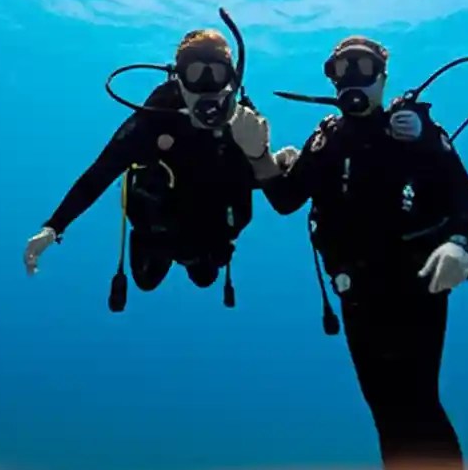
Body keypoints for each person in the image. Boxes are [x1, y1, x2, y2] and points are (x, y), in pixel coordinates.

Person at [230, 35, 468, 470]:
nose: (352, 80)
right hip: (358, 294)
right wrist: (257, 155)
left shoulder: (418, 132)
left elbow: (464, 194)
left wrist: (461, 244)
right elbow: (286, 200)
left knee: (419, 400)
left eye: (362, 68)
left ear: (382, 78)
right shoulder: (327, 140)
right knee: (385, 409)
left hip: (417, 284)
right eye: (340, 70)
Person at [22, 26, 277, 309]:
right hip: (158, 228)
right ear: (180, 79)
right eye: (195, 74)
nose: (206, 86)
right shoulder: (155, 118)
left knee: (206, 274)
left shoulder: (244, 124)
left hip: (212, 228)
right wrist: (54, 226)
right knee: (146, 280)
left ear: (230, 78)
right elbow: (101, 171)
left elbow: (272, 186)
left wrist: (268, 159)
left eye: (215, 74)